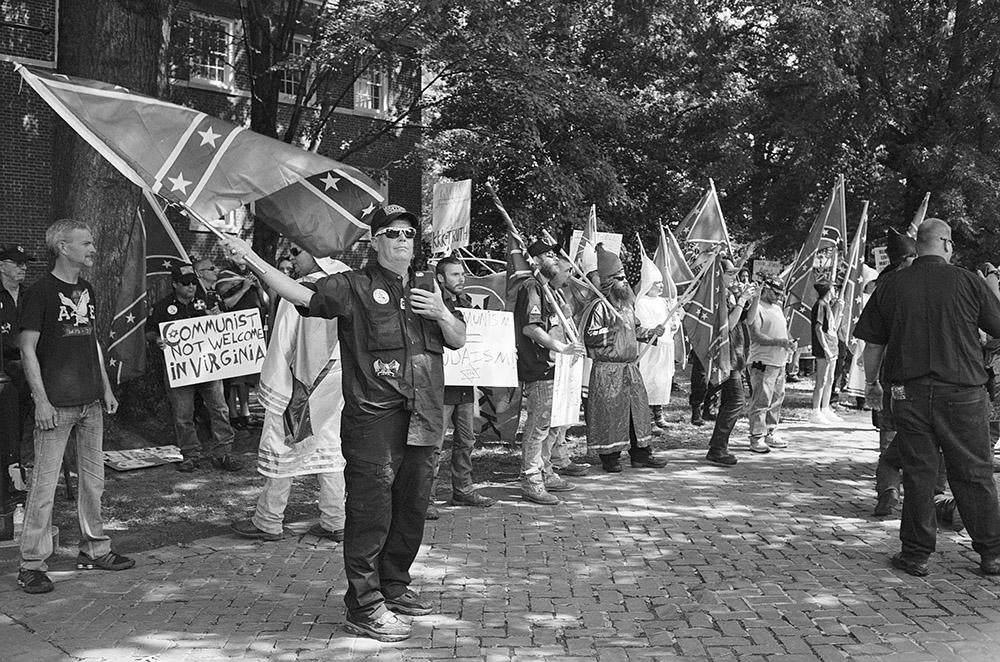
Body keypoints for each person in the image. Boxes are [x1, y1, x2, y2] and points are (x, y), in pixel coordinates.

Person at [222, 204, 466, 643]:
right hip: (375, 421)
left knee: (411, 509)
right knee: (370, 512)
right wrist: (251, 259)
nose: (403, 240)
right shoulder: (353, 286)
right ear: (375, 241)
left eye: (409, 233)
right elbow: (301, 296)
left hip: (425, 416)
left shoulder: (430, 287)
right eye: (392, 233)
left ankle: (395, 586)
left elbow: (459, 338)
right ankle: (365, 604)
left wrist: (442, 314)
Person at [855, 218, 1000, 577]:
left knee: (918, 472)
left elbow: (873, 344)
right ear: (947, 244)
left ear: (918, 246)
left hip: (909, 393)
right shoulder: (968, 280)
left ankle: (916, 554)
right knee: (974, 472)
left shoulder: (891, 284)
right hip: (963, 392)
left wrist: (872, 384)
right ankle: (992, 554)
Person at [16, 219, 135, 594]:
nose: (92, 249)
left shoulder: (88, 289)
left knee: (94, 483)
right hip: (56, 406)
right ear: (63, 247)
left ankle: (94, 549)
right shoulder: (40, 292)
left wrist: (105, 387)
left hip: (90, 404)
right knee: (44, 487)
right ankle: (31, 564)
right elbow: (27, 349)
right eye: (85, 243)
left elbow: (93, 342)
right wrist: (41, 400)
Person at [231, 248, 350, 543]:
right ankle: (336, 520)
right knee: (329, 449)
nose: (294, 257)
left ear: (317, 253)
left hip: (297, 383)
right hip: (335, 380)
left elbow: (283, 341)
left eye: (299, 251)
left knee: (283, 447)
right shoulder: (349, 281)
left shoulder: (299, 289)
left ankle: (269, 520)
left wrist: (274, 382)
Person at [147, 264, 244, 473]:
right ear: (175, 284)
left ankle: (223, 453)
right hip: (180, 369)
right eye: (185, 283)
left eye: (193, 282)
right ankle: (191, 454)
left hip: (209, 367)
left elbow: (225, 327)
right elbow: (149, 331)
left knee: (219, 408)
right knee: (183, 413)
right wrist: (158, 340)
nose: (191, 286)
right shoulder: (162, 307)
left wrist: (218, 317)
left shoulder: (208, 300)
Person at [582, 245, 668, 472]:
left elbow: (636, 330)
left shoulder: (628, 305)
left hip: (630, 369)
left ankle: (641, 455)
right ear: (608, 280)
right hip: (608, 371)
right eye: (619, 277)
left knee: (636, 413)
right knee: (611, 416)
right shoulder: (599, 306)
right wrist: (612, 330)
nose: (625, 280)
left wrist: (652, 332)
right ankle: (610, 458)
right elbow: (589, 337)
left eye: (624, 276)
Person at [425, 256, 495, 517]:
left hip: (465, 382)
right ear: (440, 278)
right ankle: (426, 498)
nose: (461, 278)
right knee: (434, 444)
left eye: (462, 274)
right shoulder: (432, 304)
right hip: (440, 386)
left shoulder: (467, 304)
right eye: (455, 274)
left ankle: (463, 489)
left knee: (466, 440)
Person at [514, 241, 583, 505]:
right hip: (541, 367)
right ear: (536, 260)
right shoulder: (532, 288)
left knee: (554, 424)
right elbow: (531, 328)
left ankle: (546, 470)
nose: (555, 257)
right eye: (549, 254)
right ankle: (531, 480)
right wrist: (561, 347)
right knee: (538, 427)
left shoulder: (552, 291)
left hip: (558, 368)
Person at [869, 230, 916, 516]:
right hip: (903, 372)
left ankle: (890, 490)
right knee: (898, 433)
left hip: (896, 373)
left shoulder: (884, 285)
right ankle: (896, 492)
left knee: (893, 433)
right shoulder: (903, 286)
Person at [704, 259, 755, 466]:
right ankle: (717, 447)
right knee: (736, 401)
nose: (734, 277)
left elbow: (748, 320)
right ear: (719, 275)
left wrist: (755, 298)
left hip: (737, 354)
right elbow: (728, 325)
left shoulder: (731, 295)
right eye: (730, 274)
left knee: (729, 402)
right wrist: (742, 300)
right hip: (726, 356)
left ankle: (719, 446)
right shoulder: (717, 297)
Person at [745, 276, 795, 453]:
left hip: (779, 362)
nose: (777, 297)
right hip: (762, 361)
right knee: (761, 399)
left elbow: (784, 330)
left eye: (780, 294)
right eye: (775, 293)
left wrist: (789, 341)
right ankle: (756, 436)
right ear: (765, 288)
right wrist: (780, 342)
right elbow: (756, 335)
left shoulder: (778, 308)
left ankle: (770, 431)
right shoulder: (756, 307)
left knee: (776, 398)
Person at [216, 266, 268, 429]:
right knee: (233, 379)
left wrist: (258, 286)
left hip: (250, 337)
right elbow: (227, 304)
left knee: (246, 379)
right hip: (233, 337)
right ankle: (233, 414)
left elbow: (265, 303)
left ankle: (245, 413)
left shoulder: (251, 282)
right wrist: (244, 288)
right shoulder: (226, 283)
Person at [1, 244, 33, 499]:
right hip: (6, 369)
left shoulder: (30, 297)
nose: (24, 267)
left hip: (27, 369)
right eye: (18, 262)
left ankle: (15, 472)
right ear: (2, 265)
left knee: (19, 424)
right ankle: (11, 475)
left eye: (25, 263)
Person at [634, 257, 681, 429]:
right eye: (657, 283)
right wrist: (654, 330)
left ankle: (658, 415)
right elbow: (642, 326)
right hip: (650, 348)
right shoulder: (641, 303)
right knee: (649, 381)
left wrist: (674, 325)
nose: (661, 286)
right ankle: (647, 418)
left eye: (661, 283)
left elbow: (671, 322)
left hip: (665, 347)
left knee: (661, 380)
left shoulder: (662, 301)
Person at [809, 281, 841, 423]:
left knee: (830, 379)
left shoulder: (828, 306)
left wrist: (839, 310)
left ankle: (825, 408)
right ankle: (815, 411)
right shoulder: (820, 305)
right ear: (828, 290)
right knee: (821, 380)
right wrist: (825, 348)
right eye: (833, 288)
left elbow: (833, 327)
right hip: (825, 348)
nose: (835, 290)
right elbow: (818, 328)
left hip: (833, 345)